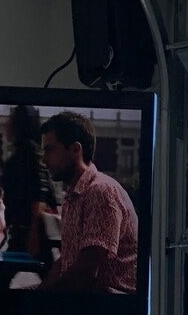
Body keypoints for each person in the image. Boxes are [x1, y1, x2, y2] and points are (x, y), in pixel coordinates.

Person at [39, 112, 138, 293]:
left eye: (50, 150)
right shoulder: (73, 195)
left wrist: (40, 302)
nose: (44, 159)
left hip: (108, 306)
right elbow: (67, 260)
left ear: (75, 149)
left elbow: (86, 271)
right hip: (86, 298)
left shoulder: (100, 192)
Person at [0, 105, 52, 260]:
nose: (6, 124)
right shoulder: (23, 151)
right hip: (23, 232)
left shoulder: (29, 152)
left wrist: (34, 232)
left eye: (10, 121)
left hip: (31, 232)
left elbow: (40, 192)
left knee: (2, 277)